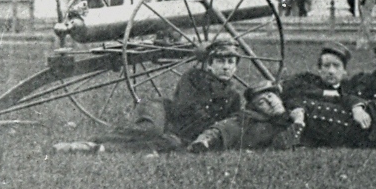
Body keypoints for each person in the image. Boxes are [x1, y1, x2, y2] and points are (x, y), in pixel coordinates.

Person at [53, 38, 243, 153]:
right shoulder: (193, 77)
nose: (225, 67)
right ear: (209, 64)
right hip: (163, 110)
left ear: (235, 66)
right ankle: (97, 140)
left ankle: (92, 148)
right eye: (220, 61)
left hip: (181, 132)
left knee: (168, 144)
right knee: (150, 131)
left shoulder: (233, 96)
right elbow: (183, 108)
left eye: (230, 62)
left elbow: (230, 125)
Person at [188, 82, 305, 152]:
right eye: (261, 102)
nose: (270, 102)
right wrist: (298, 123)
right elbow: (281, 145)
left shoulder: (294, 110)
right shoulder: (254, 121)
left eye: (270, 96)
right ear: (257, 109)